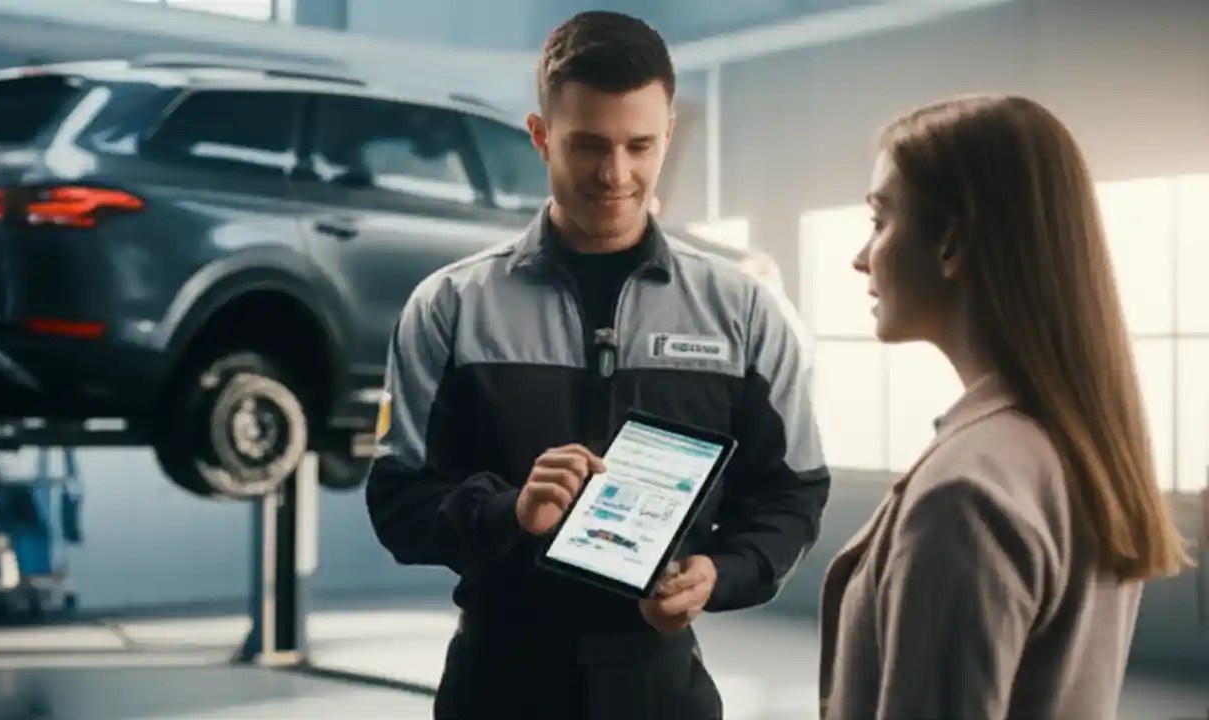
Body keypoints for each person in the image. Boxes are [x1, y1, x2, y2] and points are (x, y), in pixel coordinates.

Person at [366, 11, 830, 720]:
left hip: (661, 685)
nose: (616, 174)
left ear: (669, 134)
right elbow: (398, 503)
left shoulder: (742, 312)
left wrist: (720, 573)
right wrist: (508, 512)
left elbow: (791, 495)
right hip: (498, 681)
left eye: (640, 145)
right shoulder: (450, 307)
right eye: (587, 145)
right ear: (541, 135)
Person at [820, 95, 1192, 720]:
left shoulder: (965, 494)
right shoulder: (1073, 448)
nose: (862, 256)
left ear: (951, 243)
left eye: (881, 220)